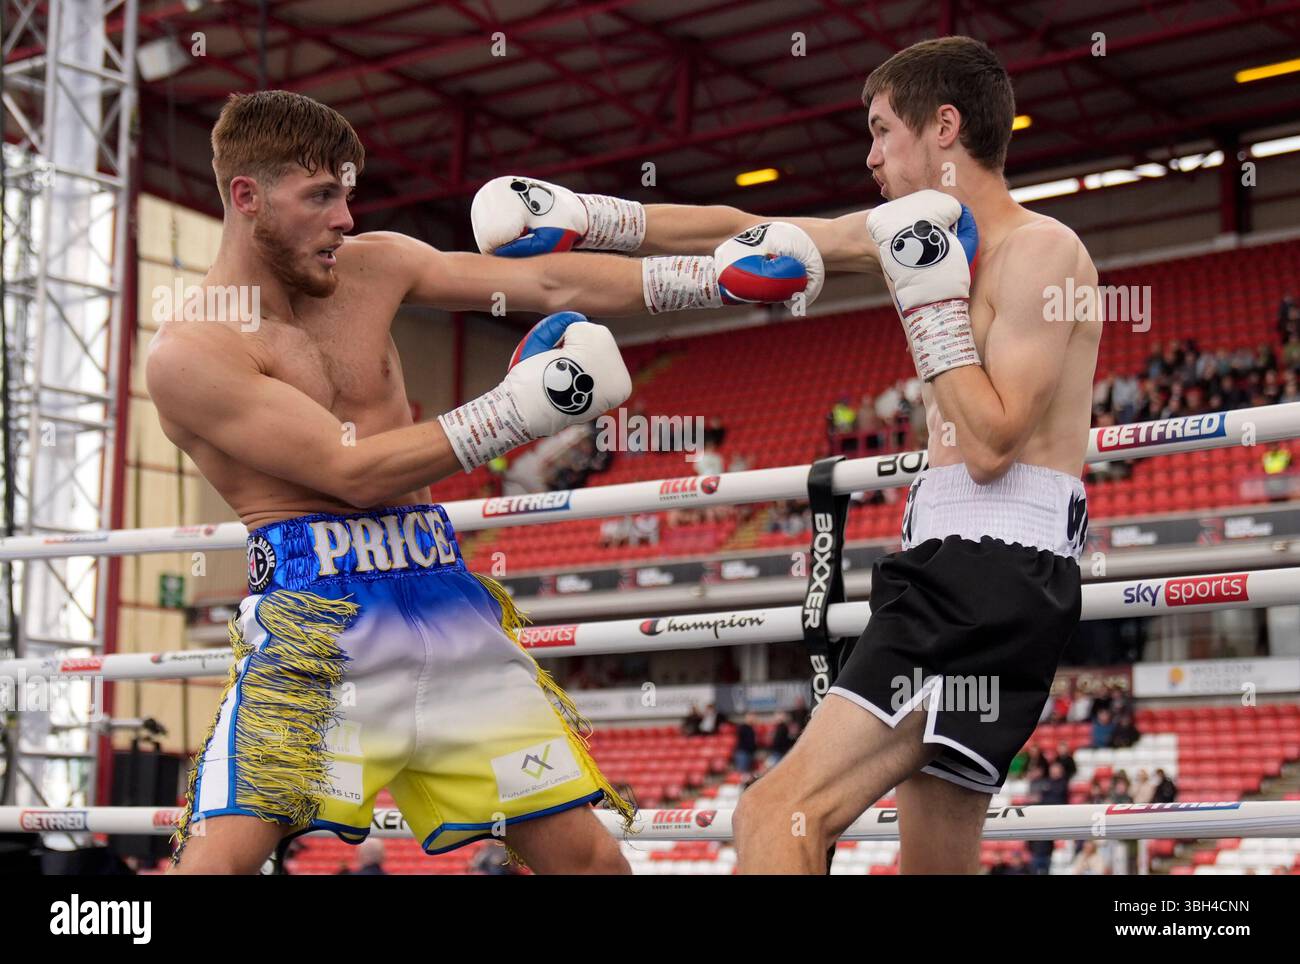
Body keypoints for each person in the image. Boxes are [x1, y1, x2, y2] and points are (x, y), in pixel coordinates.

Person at [152, 91, 822, 877]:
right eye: (322, 196)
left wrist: (712, 281)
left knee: (591, 862)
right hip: (318, 623)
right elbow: (348, 472)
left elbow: (546, 284)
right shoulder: (191, 352)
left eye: (347, 193)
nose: (344, 218)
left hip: (446, 603)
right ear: (246, 196)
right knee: (219, 866)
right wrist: (521, 408)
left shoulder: (374, 267)